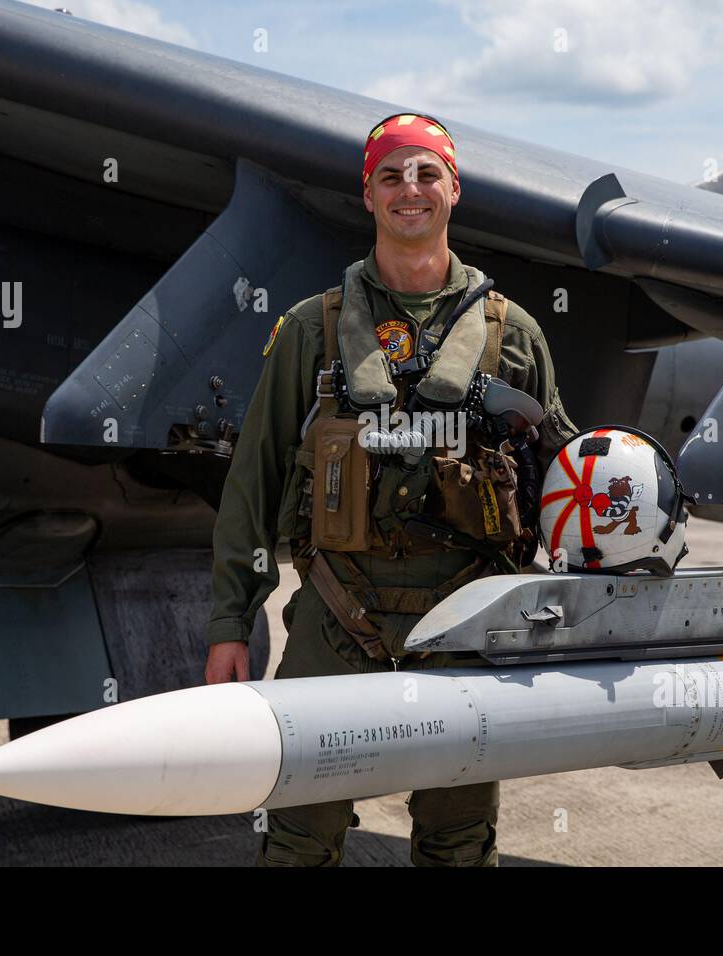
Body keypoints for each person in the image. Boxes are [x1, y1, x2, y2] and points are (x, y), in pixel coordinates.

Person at [204, 111, 578, 866]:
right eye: (391, 175)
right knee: (298, 839)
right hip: (337, 614)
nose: (411, 189)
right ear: (368, 194)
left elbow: (565, 473)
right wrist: (227, 623)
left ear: (454, 189)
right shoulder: (312, 329)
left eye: (427, 173)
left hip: (467, 620)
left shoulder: (515, 336)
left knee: (458, 844)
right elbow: (256, 477)